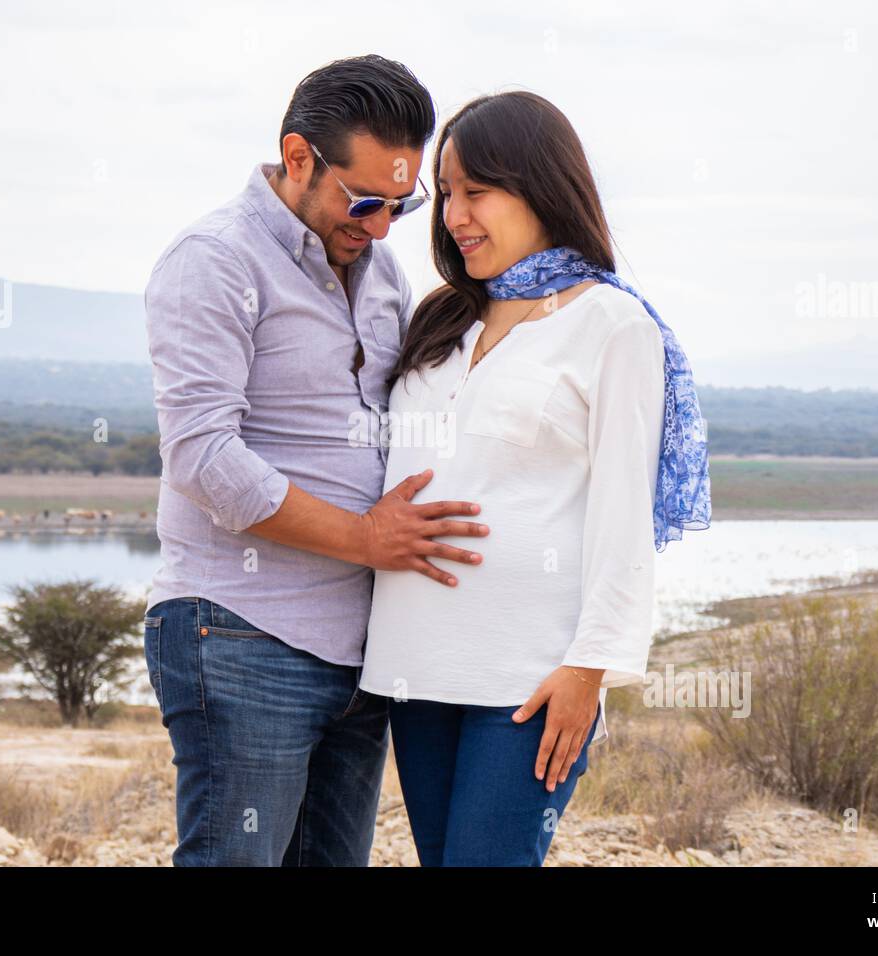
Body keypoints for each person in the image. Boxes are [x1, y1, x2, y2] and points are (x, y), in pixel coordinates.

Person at [141, 55, 491, 866]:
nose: (377, 227)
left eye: (400, 208)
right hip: (236, 632)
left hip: (358, 652)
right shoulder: (213, 261)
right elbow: (203, 457)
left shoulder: (385, 274)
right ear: (297, 157)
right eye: (363, 200)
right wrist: (366, 539)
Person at [359, 90, 711, 866]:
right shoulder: (442, 319)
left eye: (476, 192)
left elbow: (622, 520)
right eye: (446, 193)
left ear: (542, 187)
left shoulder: (612, 326)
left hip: (528, 678)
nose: (453, 215)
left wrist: (590, 671)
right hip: (413, 669)